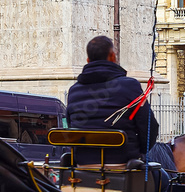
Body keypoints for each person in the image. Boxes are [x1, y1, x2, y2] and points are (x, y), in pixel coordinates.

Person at [66, 35, 158, 163]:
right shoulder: (131, 86)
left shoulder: (73, 91)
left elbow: (72, 126)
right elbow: (149, 127)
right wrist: (139, 152)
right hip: (124, 165)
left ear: (88, 60)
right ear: (112, 57)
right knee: (163, 177)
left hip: (82, 166)